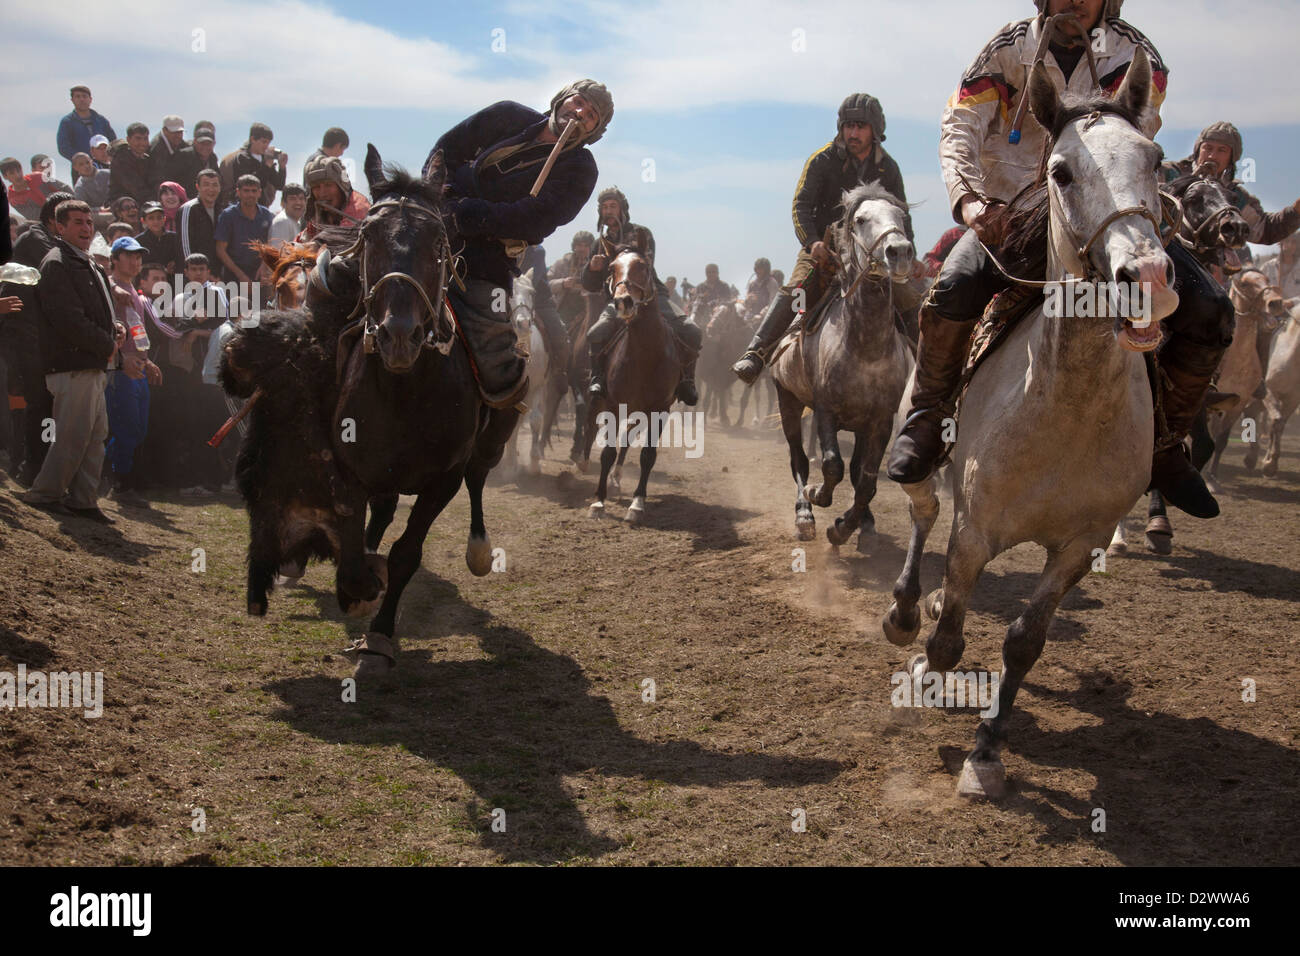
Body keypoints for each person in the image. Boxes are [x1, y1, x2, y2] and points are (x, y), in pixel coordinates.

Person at [887, 0, 1224, 520]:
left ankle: (1164, 445)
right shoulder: (1005, 51)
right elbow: (959, 128)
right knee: (953, 287)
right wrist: (972, 201)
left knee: (1209, 309)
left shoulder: (1139, 55)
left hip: (1106, 214)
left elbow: (1133, 131)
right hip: (1014, 211)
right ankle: (929, 418)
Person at [423, 78, 611, 405]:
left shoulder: (580, 168)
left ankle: (492, 432)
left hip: (486, 263)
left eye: (592, 115)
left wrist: (466, 212)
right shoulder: (506, 115)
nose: (580, 113)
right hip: (430, 235)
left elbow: (534, 217)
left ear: (595, 130)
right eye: (578, 101)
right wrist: (436, 195)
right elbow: (445, 152)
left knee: (495, 359)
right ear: (563, 98)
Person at [732, 92, 911, 382]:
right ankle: (756, 353)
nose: (852, 133)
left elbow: (901, 214)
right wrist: (812, 242)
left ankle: (928, 373)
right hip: (823, 251)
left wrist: (909, 253)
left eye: (860, 126)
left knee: (910, 299)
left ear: (875, 131)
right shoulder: (822, 160)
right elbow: (800, 206)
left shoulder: (888, 169)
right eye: (848, 126)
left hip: (870, 255)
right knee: (797, 290)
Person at [21, 200, 128, 523]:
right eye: (78, 222)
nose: (86, 228)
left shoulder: (86, 263)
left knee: (95, 435)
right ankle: (45, 494)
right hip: (72, 363)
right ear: (60, 227)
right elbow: (67, 319)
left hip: (92, 361)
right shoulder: (57, 262)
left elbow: (90, 314)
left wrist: (114, 329)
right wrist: (107, 342)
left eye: (89, 222)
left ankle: (83, 499)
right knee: (71, 434)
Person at [582, 185, 701, 403]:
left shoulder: (642, 233)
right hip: (618, 300)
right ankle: (598, 378)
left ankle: (686, 381)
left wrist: (614, 258)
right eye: (604, 207)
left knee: (691, 331)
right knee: (595, 334)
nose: (608, 211)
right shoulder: (598, 244)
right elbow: (590, 285)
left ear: (622, 209)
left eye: (612, 206)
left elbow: (643, 266)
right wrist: (592, 268)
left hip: (652, 297)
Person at [1, 191, 70, 486]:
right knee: (36, 403)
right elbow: (64, 273)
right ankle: (29, 465)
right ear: (56, 219)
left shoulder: (52, 242)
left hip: (40, 337)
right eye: (72, 220)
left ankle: (41, 462)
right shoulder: (37, 240)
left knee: (46, 405)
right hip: (25, 336)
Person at [104, 236, 163, 503]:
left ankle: (109, 473)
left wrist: (147, 359)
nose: (135, 260)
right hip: (119, 367)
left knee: (137, 429)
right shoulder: (110, 285)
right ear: (114, 259)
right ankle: (120, 484)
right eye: (128, 255)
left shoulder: (134, 292)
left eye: (138, 256)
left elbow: (137, 328)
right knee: (126, 427)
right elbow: (99, 281)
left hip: (137, 365)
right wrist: (111, 285)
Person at [214, 175, 274, 284]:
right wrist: (240, 275)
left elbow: (270, 244)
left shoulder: (267, 215)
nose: (250, 194)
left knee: (259, 302)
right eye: (246, 191)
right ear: (238, 192)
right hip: (233, 277)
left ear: (259, 193)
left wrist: (264, 266)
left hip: (259, 276)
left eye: (254, 191)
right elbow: (220, 250)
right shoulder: (228, 216)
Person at [298, 156, 370, 241]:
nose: (322, 193)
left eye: (328, 185)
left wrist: (314, 246)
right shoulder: (319, 211)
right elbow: (306, 236)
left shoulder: (358, 207)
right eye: (316, 187)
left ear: (342, 186)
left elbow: (342, 240)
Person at [218, 123, 288, 209]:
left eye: (268, 143)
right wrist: (267, 165)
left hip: (260, 208)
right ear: (253, 139)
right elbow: (251, 183)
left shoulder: (265, 159)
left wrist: (282, 167)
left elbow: (279, 185)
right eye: (263, 142)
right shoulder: (242, 158)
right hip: (242, 207)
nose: (266, 146)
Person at [56, 86, 117, 166]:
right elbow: (63, 147)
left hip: (105, 165)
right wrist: (81, 160)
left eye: (84, 96)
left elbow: (113, 142)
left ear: (90, 99)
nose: (81, 99)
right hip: (80, 169)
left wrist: (109, 157)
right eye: (78, 97)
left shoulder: (101, 120)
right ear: (72, 100)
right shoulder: (67, 122)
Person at [547, 229, 595, 329]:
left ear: (591, 248)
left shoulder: (595, 266)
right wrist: (563, 283)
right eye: (579, 245)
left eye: (586, 246)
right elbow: (546, 284)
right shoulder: (561, 263)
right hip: (562, 309)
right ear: (574, 247)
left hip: (587, 309)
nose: (582, 249)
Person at [179, 169, 223, 266]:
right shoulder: (189, 209)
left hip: (215, 273)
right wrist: (196, 271)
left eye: (215, 185)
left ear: (220, 188)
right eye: (206, 185)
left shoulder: (222, 210)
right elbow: (185, 246)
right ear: (197, 187)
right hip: (193, 273)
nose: (211, 189)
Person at [109, 123, 155, 204]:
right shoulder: (121, 160)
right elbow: (136, 188)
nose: (142, 143)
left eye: (145, 138)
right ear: (128, 139)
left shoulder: (147, 159)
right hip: (122, 201)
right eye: (138, 139)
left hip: (144, 200)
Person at [172, 127, 220, 199]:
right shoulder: (184, 156)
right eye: (202, 143)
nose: (205, 147)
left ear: (214, 144)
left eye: (208, 143)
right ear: (194, 142)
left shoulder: (212, 158)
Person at [135, 201, 181, 274]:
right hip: (149, 282)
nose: (156, 221)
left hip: (175, 280)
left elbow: (181, 263)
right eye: (151, 218)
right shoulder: (138, 242)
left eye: (159, 217)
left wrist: (176, 264)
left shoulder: (175, 238)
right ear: (143, 220)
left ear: (164, 219)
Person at [149, 115, 190, 192]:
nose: (178, 135)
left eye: (180, 132)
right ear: (164, 130)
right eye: (174, 132)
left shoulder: (180, 144)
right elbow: (157, 178)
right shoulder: (156, 149)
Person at [269, 184, 307, 248]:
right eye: (292, 198)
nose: (298, 202)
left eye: (301, 198)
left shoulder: (295, 221)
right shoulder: (282, 222)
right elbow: (278, 253)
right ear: (283, 202)